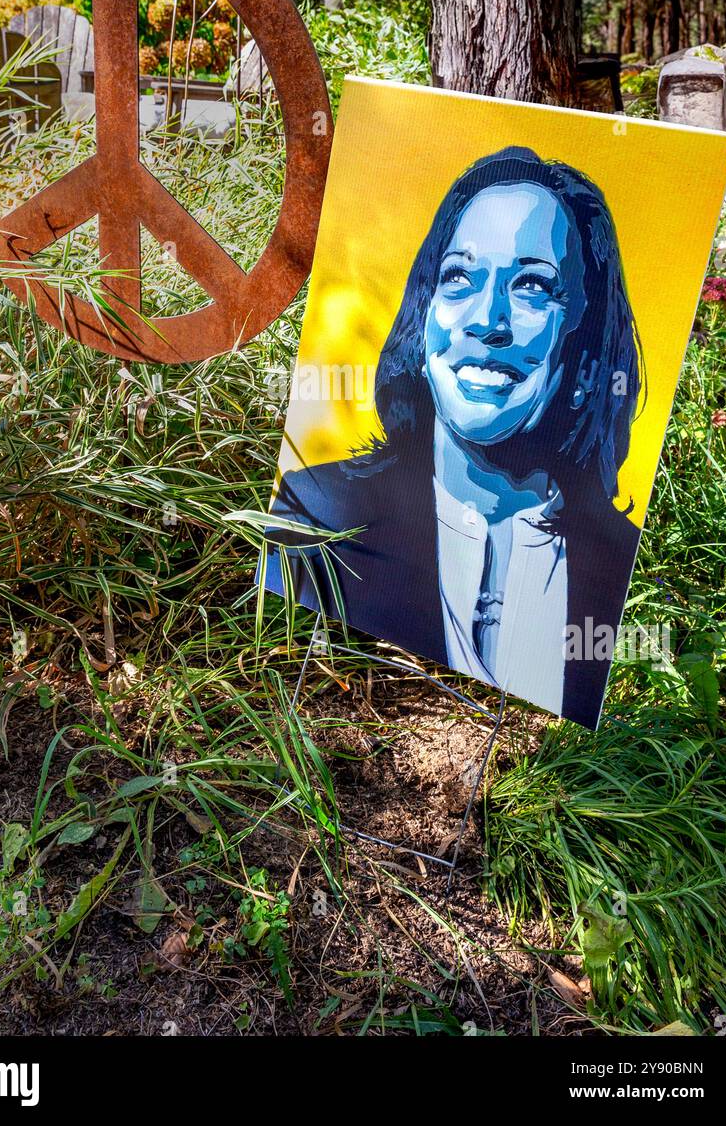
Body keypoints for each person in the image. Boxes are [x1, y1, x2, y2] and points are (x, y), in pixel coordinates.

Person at [264, 146, 643, 728]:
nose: (486, 319)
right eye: (460, 277)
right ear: (425, 318)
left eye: (533, 287)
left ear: (585, 351)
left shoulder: (620, 566)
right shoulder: (312, 515)